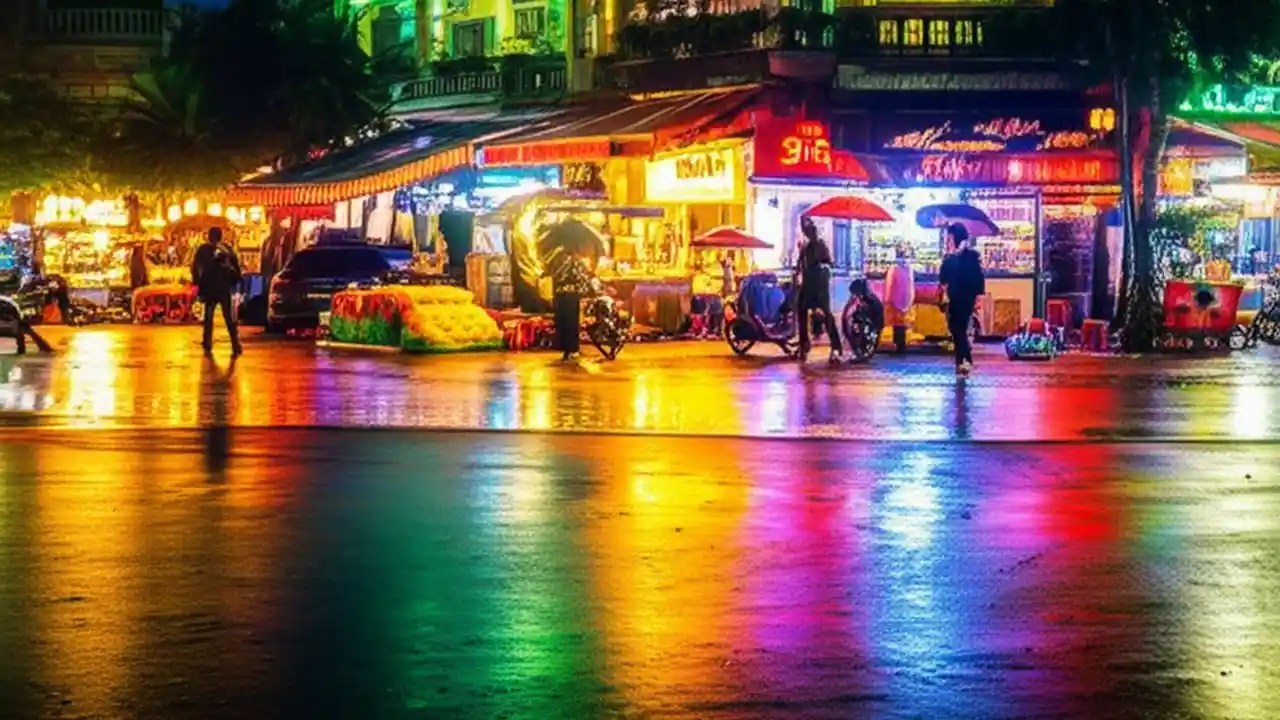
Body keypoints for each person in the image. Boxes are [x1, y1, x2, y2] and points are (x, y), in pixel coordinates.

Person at [938, 223, 985, 377]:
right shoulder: (950, 257)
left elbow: (978, 278)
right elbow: (943, 278)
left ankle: (965, 360)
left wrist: (978, 297)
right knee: (956, 330)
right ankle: (962, 360)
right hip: (952, 298)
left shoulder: (971, 256)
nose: (947, 240)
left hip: (966, 297)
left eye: (949, 237)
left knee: (960, 329)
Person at [796, 217, 842, 363]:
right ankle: (804, 344)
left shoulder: (819, 245)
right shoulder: (806, 246)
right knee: (801, 311)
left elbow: (827, 263)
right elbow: (800, 265)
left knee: (826, 315)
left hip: (818, 285)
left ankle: (834, 346)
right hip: (810, 284)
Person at [191, 227, 243, 357]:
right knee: (228, 317)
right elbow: (236, 267)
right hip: (223, 287)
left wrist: (197, 282)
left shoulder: (203, 250)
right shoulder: (227, 249)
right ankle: (235, 344)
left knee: (209, 316)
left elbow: (195, 268)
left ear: (209, 236)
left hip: (210, 288)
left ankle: (208, 342)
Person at [550, 252, 591, 361]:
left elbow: (554, 275)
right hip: (571, 295)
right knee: (571, 323)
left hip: (560, 295)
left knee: (563, 323)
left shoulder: (557, 259)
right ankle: (572, 349)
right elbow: (582, 277)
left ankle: (565, 349)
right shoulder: (575, 261)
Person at [884, 244, 916, 353]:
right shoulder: (908, 269)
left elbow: (890, 285)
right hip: (905, 299)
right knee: (901, 324)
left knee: (897, 325)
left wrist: (887, 298)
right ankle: (900, 345)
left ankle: (898, 344)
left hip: (896, 300)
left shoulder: (894, 269)